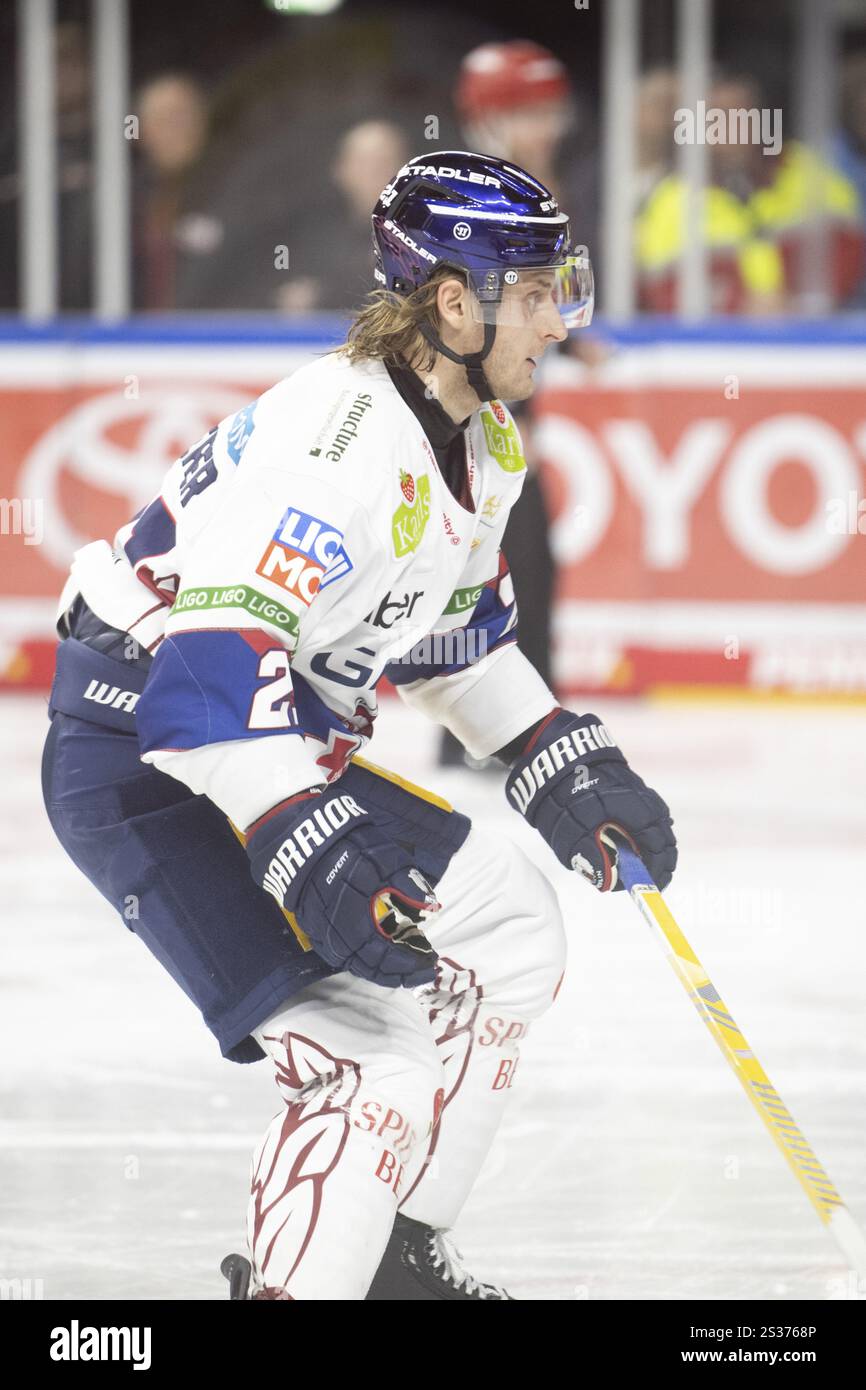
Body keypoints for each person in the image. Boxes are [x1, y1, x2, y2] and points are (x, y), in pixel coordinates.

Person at [41, 151, 677, 1301]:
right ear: (453, 302)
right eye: (534, 291)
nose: (560, 315)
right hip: (145, 758)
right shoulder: (333, 451)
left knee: (510, 927)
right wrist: (309, 835)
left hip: (260, 739)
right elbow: (195, 692)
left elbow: (451, 646)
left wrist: (553, 755)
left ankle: (388, 1263)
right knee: (371, 1066)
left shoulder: (481, 447)